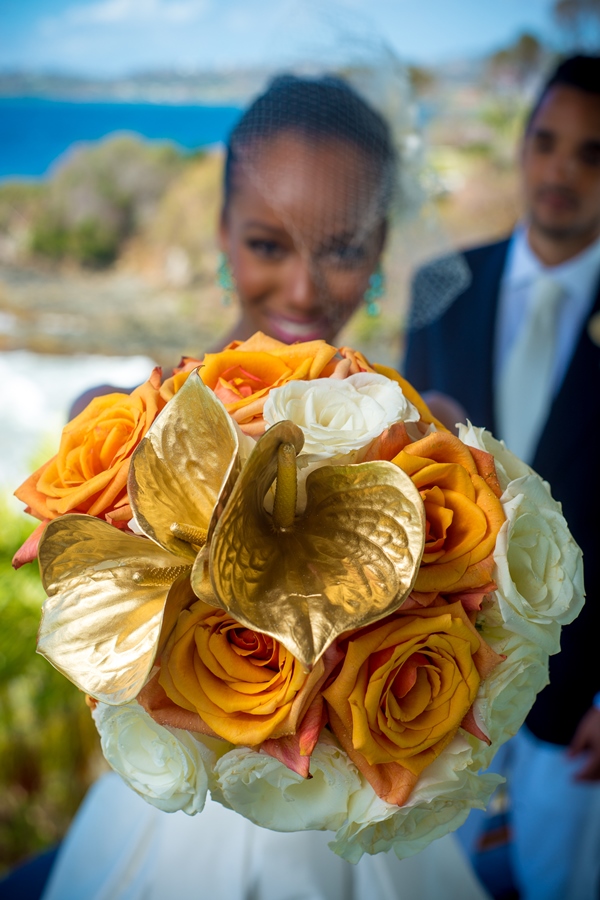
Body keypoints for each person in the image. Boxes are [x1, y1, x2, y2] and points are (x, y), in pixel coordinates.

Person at [1, 74, 489, 900]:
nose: (303, 289)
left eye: (341, 250)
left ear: (379, 247)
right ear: (224, 230)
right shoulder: (118, 428)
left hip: (360, 847)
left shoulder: (429, 440)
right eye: (269, 245)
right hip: (170, 835)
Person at [404, 55, 600, 900]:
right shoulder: (437, 286)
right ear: (522, 147)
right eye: (546, 142)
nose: (562, 170)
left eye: (592, 154)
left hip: (578, 700)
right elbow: (401, 474)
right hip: (436, 685)